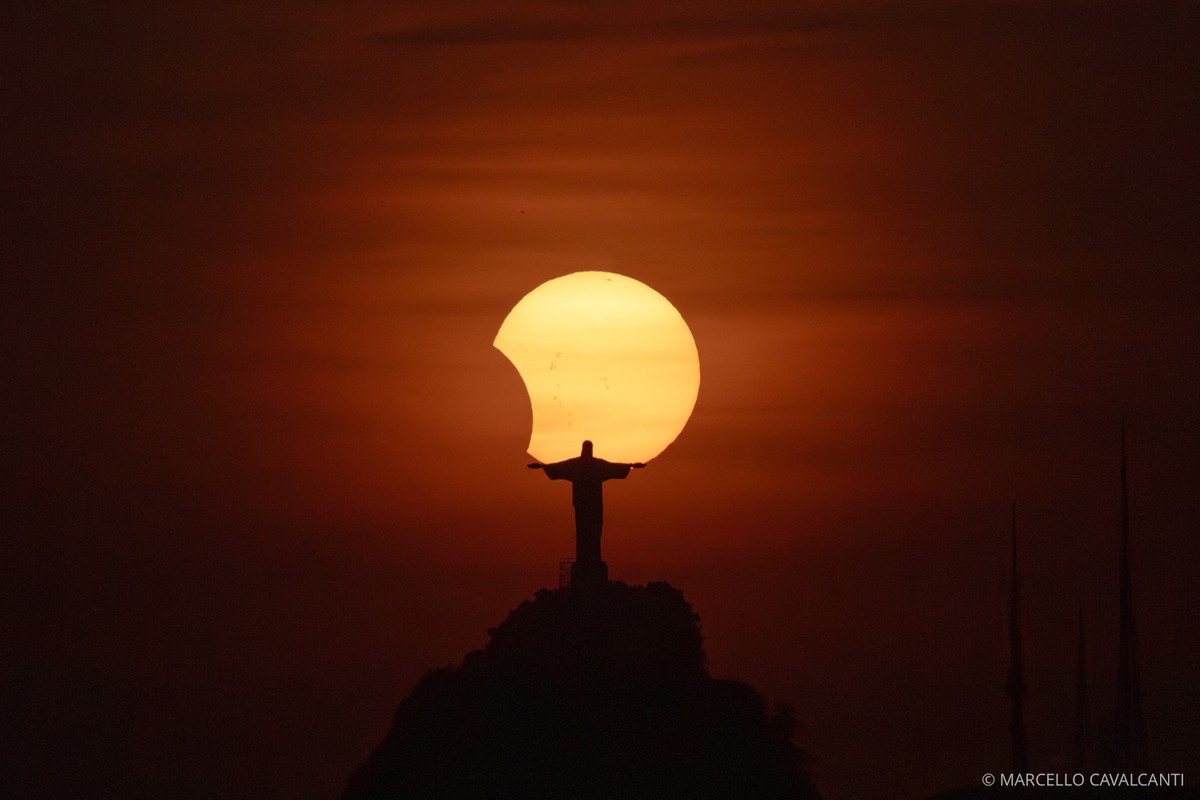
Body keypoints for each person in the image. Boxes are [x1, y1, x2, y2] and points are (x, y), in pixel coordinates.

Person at [529, 441, 644, 586]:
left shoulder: (588, 465)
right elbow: (560, 467)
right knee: (584, 533)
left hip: (592, 505)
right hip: (584, 505)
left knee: (594, 532)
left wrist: (631, 465)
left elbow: (612, 467)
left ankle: (592, 561)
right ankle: (585, 561)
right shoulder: (583, 465)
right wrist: (543, 467)